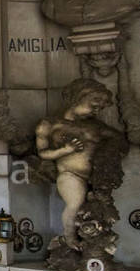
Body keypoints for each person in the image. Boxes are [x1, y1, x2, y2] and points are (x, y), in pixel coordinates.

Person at [36, 78, 121, 242]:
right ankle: (69, 238)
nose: (96, 111)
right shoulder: (50, 125)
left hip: (95, 180)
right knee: (75, 203)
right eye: (94, 106)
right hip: (70, 175)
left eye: (100, 108)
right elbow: (42, 153)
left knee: (95, 211)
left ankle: (89, 239)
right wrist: (65, 150)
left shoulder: (95, 126)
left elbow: (118, 140)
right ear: (78, 98)